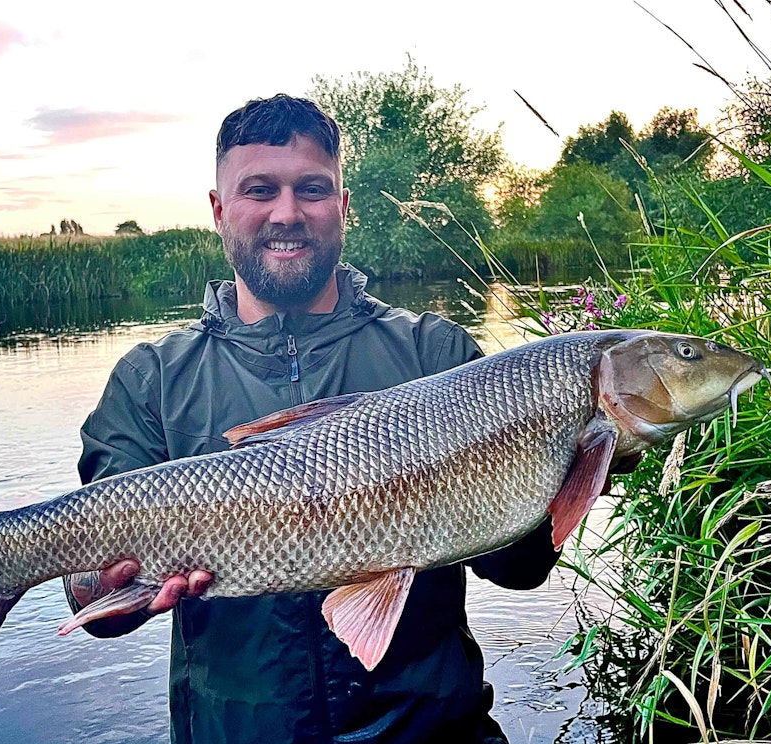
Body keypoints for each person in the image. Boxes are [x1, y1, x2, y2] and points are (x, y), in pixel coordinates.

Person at [64, 94, 561, 743]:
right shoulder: (149, 382)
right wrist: (96, 582)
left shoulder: (435, 354)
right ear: (219, 211)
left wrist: (562, 458)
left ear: (343, 207)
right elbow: (93, 606)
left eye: (312, 189)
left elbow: (519, 569)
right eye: (260, 189)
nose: (287, 213)